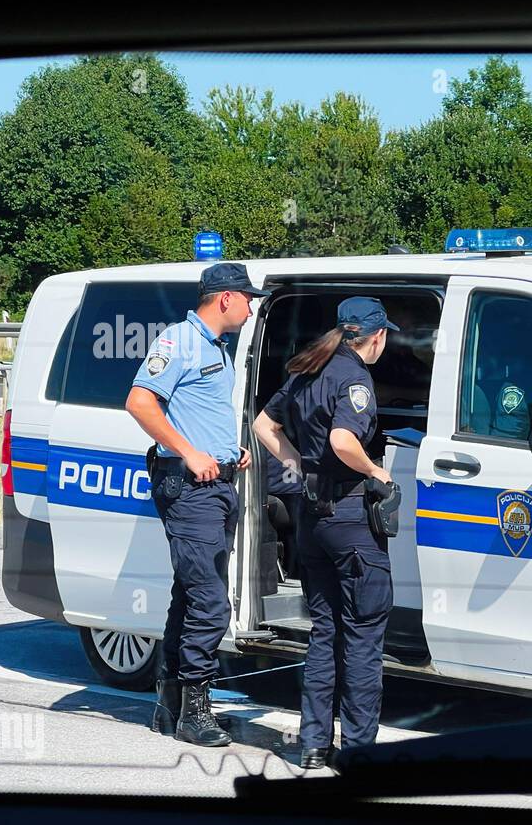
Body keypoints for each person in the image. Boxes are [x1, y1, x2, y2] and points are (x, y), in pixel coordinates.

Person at [124, 262, 267, 746]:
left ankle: (169, 703)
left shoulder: (218, 349)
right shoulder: (179, 341)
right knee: (210, 603)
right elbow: (140, 400)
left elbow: (199, 412)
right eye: (247, 298)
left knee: (189, 596)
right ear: (224, 298)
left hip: (217, 487)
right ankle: (195, 712)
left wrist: (230, 451)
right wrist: (188, 452)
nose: (251, 307)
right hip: (188, 489)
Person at [252, 298, 396, 770]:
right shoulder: (354, 378)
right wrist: (378, 472)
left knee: (324, 634)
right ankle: (357, 750)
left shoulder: (309, 368)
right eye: (385, 336)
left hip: (312, 518)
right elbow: (342, 440)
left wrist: (297, 466)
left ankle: (314, 745)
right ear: (374, 337)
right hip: (351, 517)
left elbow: (263, 425)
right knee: (362, 638)